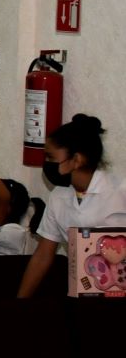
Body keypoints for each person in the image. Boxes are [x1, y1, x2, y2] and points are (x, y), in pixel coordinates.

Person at [15, 114, 126, 297]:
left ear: (76, 160)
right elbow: (43, 255)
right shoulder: (58, 196)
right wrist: (20, 303)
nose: (46, 164)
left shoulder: (120, 191)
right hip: (83, 292)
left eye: (50, 157)